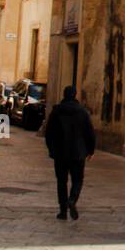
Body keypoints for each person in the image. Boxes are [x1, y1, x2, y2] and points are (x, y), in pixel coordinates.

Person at [44, 85, 95, 220]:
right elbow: (89, 133)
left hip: (60, 153)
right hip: (78, 153)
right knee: (77, 179)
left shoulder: (56, 111)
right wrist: (91, 150)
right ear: (75, 95)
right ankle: (72, 200)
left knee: (61, 181)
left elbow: (48, 133)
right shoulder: (82, 112)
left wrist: (51, 149)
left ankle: (62, 211)